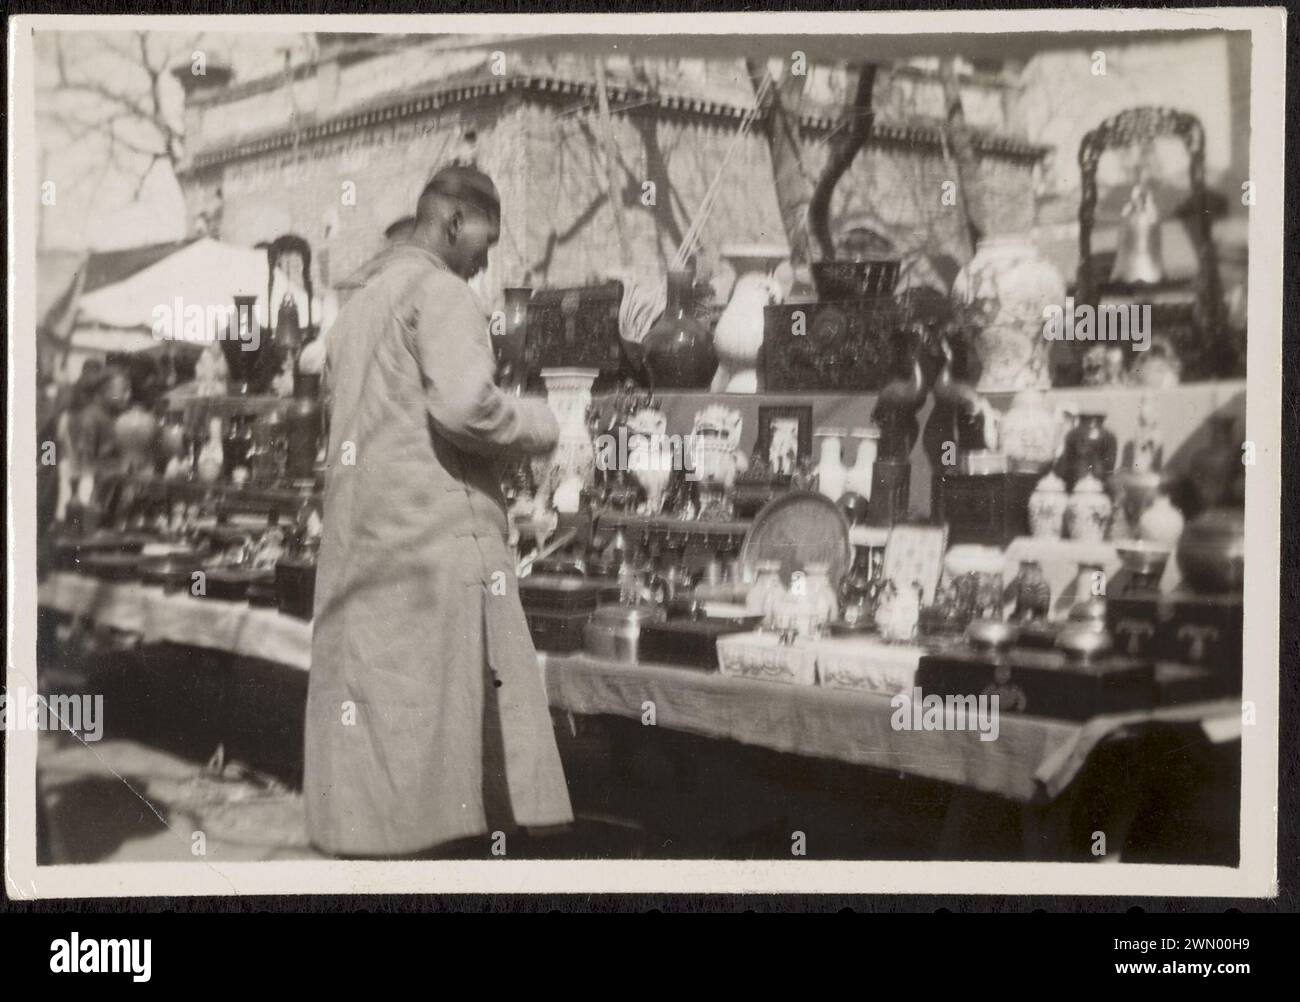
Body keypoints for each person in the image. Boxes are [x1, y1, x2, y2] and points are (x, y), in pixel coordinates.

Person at [303, 164, 572, 858]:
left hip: (363, 552)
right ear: (453, 222)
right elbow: (464, 409)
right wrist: (546, 423)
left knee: (375, 748)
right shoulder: (443, 294)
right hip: (431, 551)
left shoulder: (358, 307)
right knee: (439, 764)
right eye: (485, 240)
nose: (486, 262)